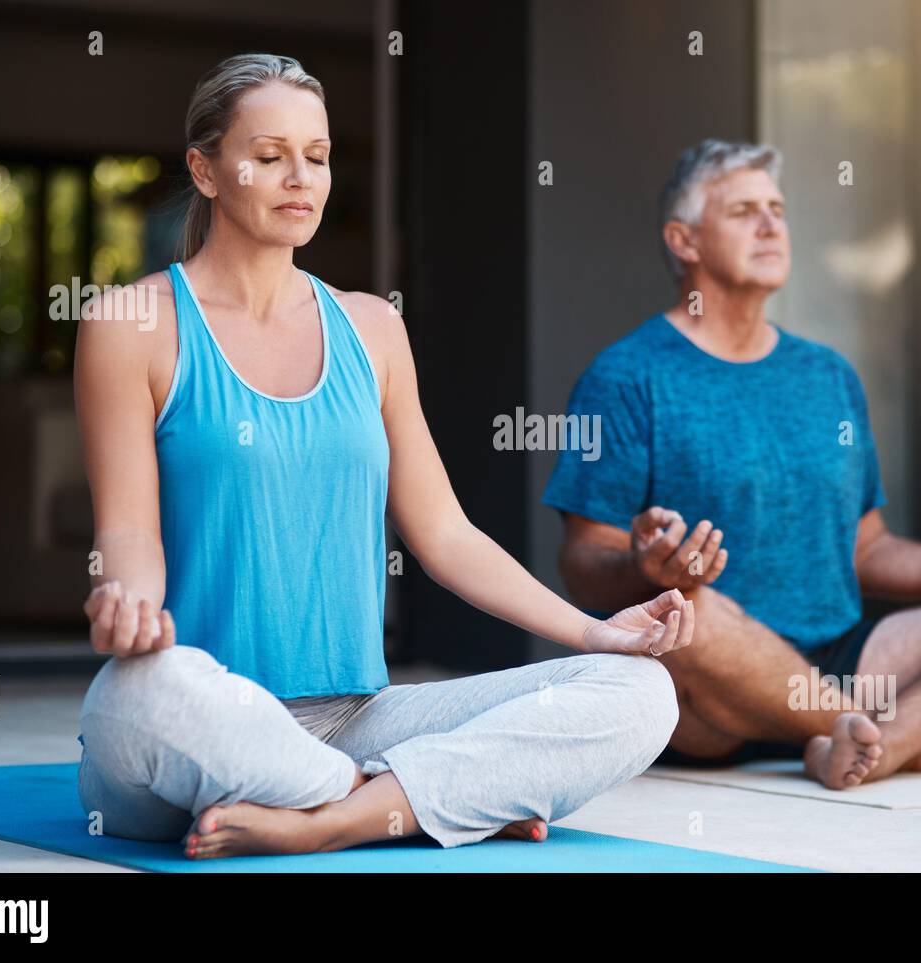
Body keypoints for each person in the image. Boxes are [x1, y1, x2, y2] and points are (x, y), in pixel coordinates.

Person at [73, 53, 693, 859]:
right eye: (269, 157)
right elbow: (128, 531)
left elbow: (445, 536)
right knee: (142, 695)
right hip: (205, 716)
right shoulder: (133, 323)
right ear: (207, 170)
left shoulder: (372, 328)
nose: (301, 177)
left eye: (318, 157)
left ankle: (334, 817)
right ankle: (420, 798)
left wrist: (595, 633)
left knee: (640, 691)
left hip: (356, 721)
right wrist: (129, 603)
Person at [544, 139, 921, 791]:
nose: (772, 224)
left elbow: (869, 548)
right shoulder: (625, 377)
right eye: (744, 210)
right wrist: (642, 567)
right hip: (707, 681)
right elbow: (582, 563)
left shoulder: (828, 375)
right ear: (684, 241)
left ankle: (872, 743)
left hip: (842, 657)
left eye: (777, 208)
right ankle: (918, 742)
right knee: (688, 612)